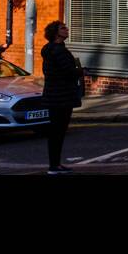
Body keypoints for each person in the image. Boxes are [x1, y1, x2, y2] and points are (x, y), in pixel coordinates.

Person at [40, 20, 81, 175]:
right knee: (58, 132)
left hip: (53, 95)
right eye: (63, 28)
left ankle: (55, 164)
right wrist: (80, 71)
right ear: (56, 33)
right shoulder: (59, 51)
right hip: (62, 97)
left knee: (55, 132)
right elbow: (68, 71)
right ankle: (54, 166)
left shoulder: (49, 50)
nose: (67, 29)